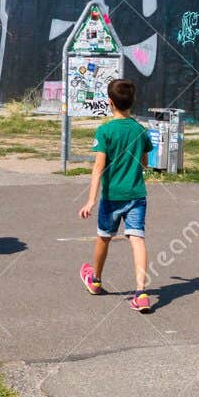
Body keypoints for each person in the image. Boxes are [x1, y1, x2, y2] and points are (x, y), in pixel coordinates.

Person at [78, 78, 156, 312]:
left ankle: (96, 280)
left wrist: (91, 200)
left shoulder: (105, 131)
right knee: (137, 239)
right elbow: (144, 163)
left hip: (112, 197)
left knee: (104, 237)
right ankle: (141, 292)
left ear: (109, 102)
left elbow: (98, 167)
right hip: (136, 195)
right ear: (133, 102)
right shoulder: (140, 131)